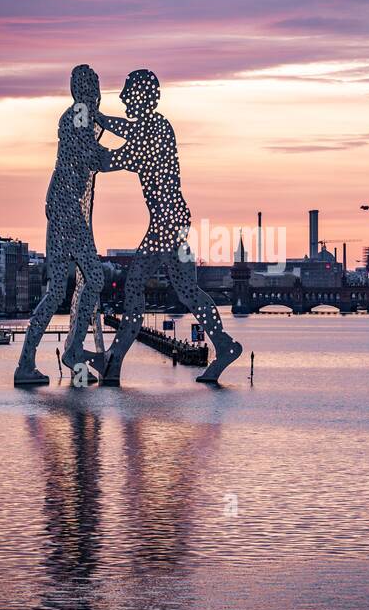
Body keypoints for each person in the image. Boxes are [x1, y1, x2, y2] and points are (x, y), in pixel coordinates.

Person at [95, 69, 242, 384]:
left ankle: (114, 362)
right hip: (172, 220)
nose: (122, 97)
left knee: (134, 285)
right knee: (188, 291)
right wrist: (101, 118)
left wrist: (87, 150)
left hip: (168, 221)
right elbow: (128, 130)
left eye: (127, 92)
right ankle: (225, 346)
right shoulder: (151, 126)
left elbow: (115, 159)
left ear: (143, 96)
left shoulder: (157, 129)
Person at [14, 65, 111, 386]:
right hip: (67, 209)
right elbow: (92, 156)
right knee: (95, 277)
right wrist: (133, 157)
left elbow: (90, 150)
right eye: (90, 85)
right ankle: (72, 350)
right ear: (81, 89)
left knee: (56, 290)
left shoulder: (78, 116)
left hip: (58, 207)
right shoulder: (79, 115)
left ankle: (26, 363)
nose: (94, 91)